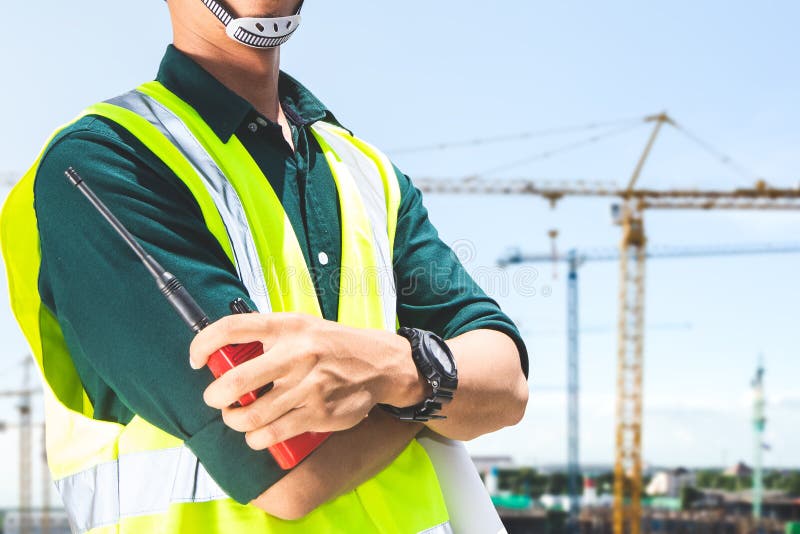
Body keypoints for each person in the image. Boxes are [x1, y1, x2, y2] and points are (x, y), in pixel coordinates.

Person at [1, 0, 529, 532]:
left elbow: (507, 386)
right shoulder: (104, 163)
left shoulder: (366, 171)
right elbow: (289, 472)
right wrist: (434, 395)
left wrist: (390, 369)